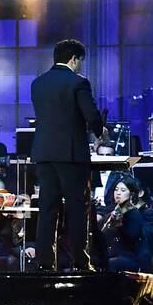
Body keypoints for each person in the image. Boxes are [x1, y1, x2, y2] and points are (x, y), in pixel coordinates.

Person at [30, 39, 104, 273]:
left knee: (47, 209)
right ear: (74, 59)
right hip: (71, 155)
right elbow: (91, 116)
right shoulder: (78, 82)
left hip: (43, 153)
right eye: (80, 61)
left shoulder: (37, 83)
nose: (80, 66)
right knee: (76, 209)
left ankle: (44, 263)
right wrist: (100, 131)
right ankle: (81, 262)